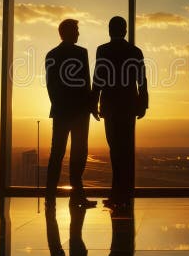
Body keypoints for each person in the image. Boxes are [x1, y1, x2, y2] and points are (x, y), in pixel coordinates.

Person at [92, 16, 148, 209]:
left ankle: (117, 193)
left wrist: (93, 102)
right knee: (125, 149)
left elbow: (98, 78)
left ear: (110, 30)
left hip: (110, 106)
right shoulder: (135, 51)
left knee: (115, 149)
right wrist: (143, 103)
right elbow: (142, 79)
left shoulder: (103, 50)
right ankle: (123, 193)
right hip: (128, 106)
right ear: (124, 30)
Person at [45, 19, 97, 209]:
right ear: (67, 32)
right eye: (76, 30)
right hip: (80, 112)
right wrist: (91, 106)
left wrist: (60, 105)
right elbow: (86, 83)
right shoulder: (81, 53)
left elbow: (51, 85)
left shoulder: (52, 55)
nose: (78, 34)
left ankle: (50, 196)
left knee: (57, 154)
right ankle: (77, 195)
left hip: (62, 111)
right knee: (78, 153)